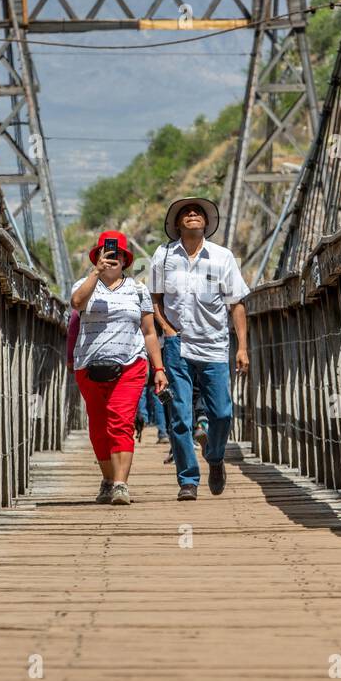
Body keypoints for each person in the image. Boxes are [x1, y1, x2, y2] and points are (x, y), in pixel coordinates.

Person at [150, 198, 250, 501]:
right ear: (177, 223)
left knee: (221, 413)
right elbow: (154, 299)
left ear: (206, 223)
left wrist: (242, 347)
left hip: (215, 344)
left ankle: (216, 457)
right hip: (178, 346)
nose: (193, 215)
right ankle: (188, 480)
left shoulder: (222, 257)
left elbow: (237, 304)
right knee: (179, 416)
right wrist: (167, 329)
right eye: (186, 213)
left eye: (198, 213)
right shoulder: (163, 255)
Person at [71, 230, 169, 506]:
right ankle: (108, 478)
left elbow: (149, 332)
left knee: (121, 421)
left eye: (117, 255)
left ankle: (120, 485)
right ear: (98, 256)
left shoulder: (138, 290)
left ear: (126, 260)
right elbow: (77, 304)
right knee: (99, 427)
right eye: (106, 254)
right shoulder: (84, 284)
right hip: (89, 365)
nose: (112, 259)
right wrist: (95, 273)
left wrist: (158, 368)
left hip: (131, 364)